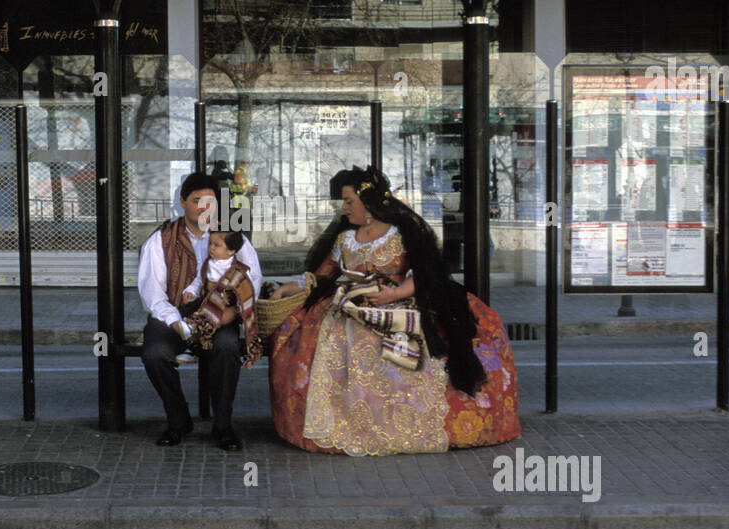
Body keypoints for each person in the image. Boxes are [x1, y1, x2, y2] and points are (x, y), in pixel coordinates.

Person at [267, 165, 519, 456]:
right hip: (351, 309)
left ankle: (408, 426)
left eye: (349, 201)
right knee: (320, 341)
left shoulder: (401, 234)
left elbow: (426, 272)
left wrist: (394, 294)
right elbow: (322, 275)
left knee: (406, 352)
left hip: (401, 305)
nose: (344, 208)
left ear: (369, 204)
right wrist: (290, 287)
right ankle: (352, 425)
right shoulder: (344, 239)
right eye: (344, 202)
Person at [138, 172, 262, 450]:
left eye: (211, 201)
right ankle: (178, 420)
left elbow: (252, 278)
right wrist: (176, 322)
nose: (205, 207)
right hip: (173, 313)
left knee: (228, 346)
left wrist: (231, 314)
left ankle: (223, 426)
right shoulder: (161, 239)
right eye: (197, 201)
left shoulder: (231, 235)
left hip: (219, 314)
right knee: (154, 353)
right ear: (183, 202)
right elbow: (152, 294)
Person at [178, 229, 263, 368]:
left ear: (230, 251)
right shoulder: (207, 264)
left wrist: (238, 309)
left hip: (226, 306)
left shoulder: (239, 270)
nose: (211, 247)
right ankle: (192, 348)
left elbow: (247, 290)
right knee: (201, 318)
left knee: (216, 323)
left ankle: (193, 328)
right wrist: (190, 291)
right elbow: (199, 281)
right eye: (210, 243)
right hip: (206, 303)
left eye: (216, 245)